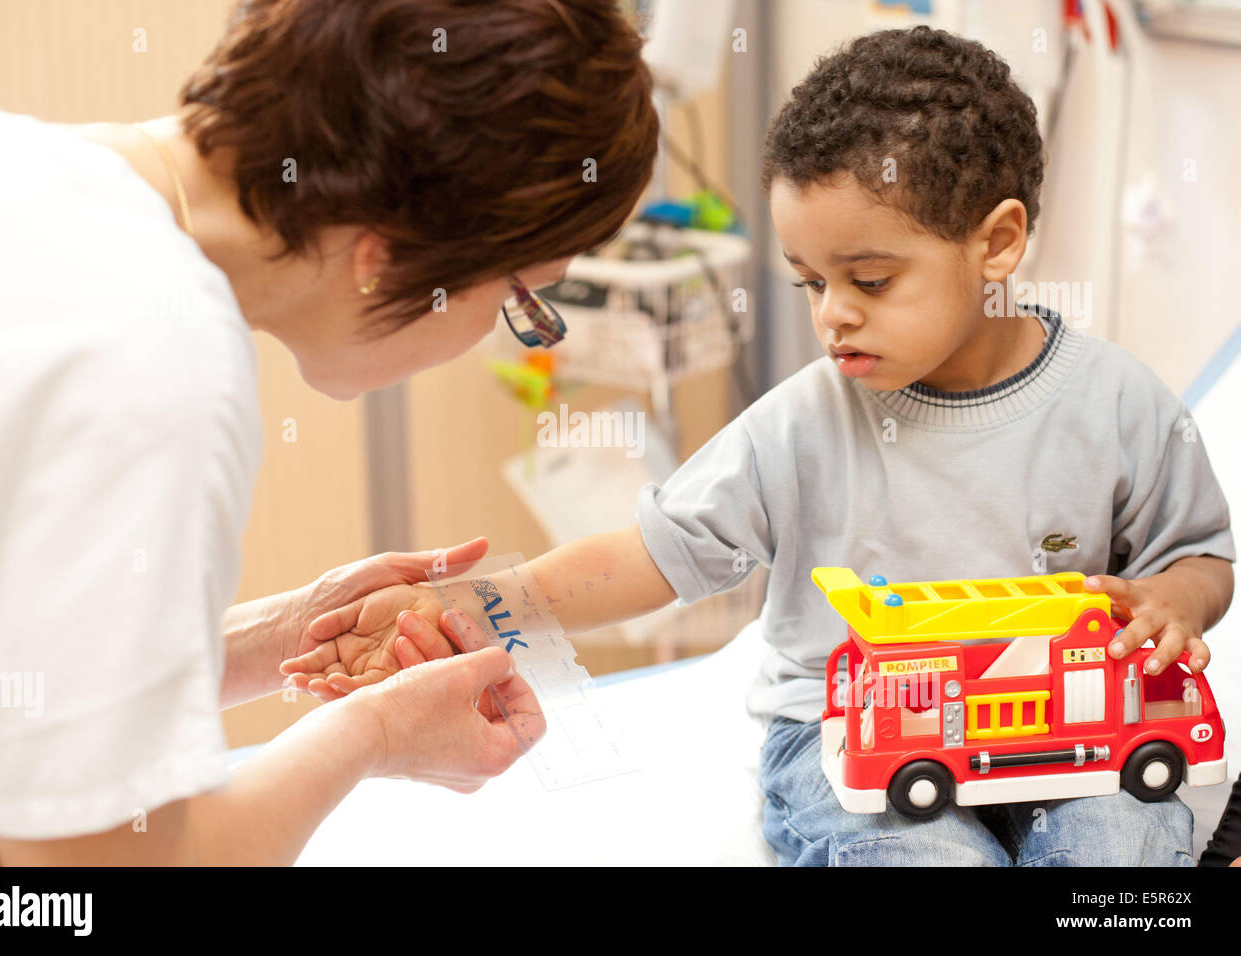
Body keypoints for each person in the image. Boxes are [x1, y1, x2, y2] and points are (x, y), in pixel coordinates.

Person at [281, 26, 1236, 867]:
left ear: (996, 243)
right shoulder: (804, 422)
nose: (833, 317)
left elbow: (1201, 558)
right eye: (808, 283)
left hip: (1070, 722)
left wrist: (1174, 598)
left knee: (1125, 845)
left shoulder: (1119, 404)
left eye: (868, 278)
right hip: (854, 730)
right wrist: (464, 607)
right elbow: (646, 559)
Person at [0, 0, 657, 865]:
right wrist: (374, 735)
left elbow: (6, 675)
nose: (496, 332)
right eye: (518, 297)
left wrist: (280, 635)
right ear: (386, 253)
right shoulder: (148, 363)